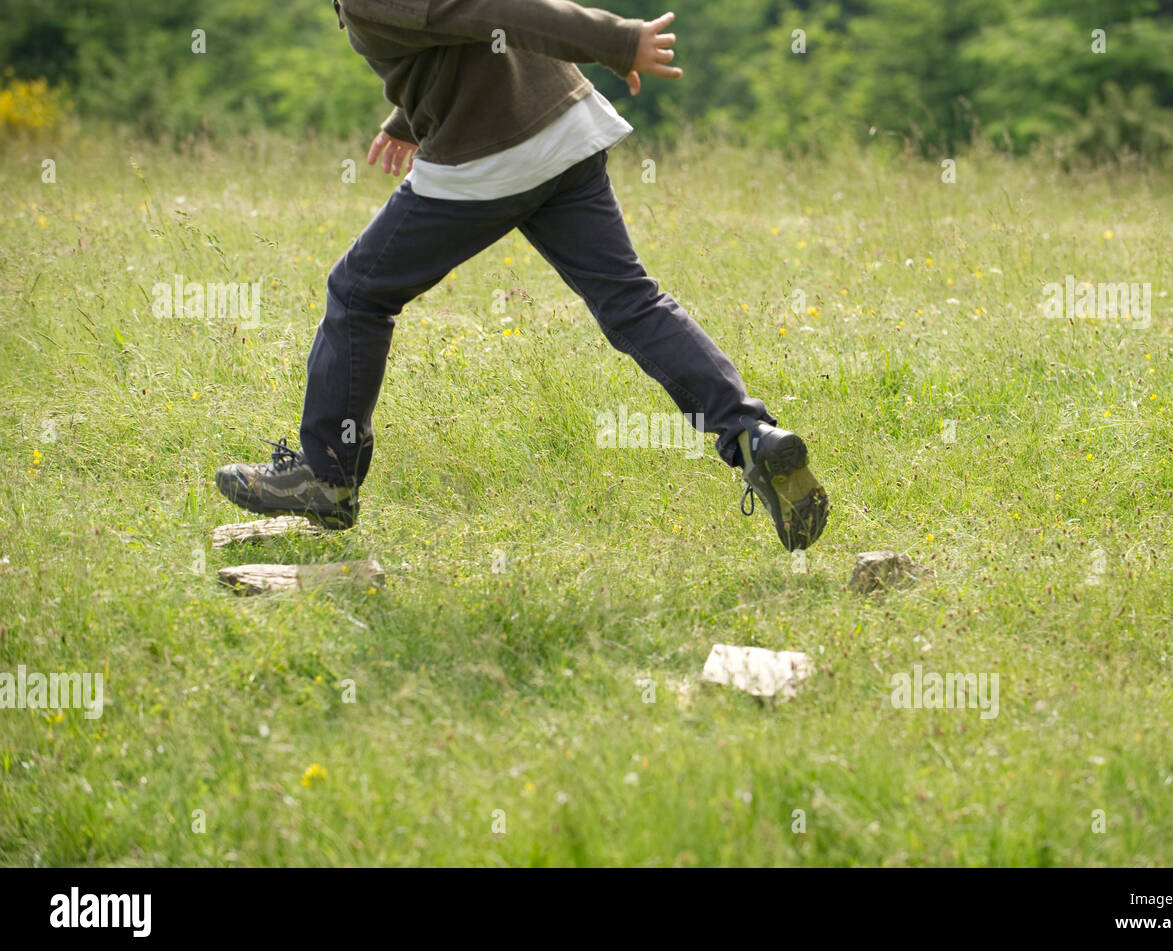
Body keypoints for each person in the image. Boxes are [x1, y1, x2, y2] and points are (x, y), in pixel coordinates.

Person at [215, 1, 829, 551]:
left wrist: (618, 40)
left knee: (358, 294)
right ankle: (751, 434)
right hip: (565, 129)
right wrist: (410, 116)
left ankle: (327, 478)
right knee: (632, 302)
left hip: (494, 158)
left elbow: (495, 8)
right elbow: (458, 32)